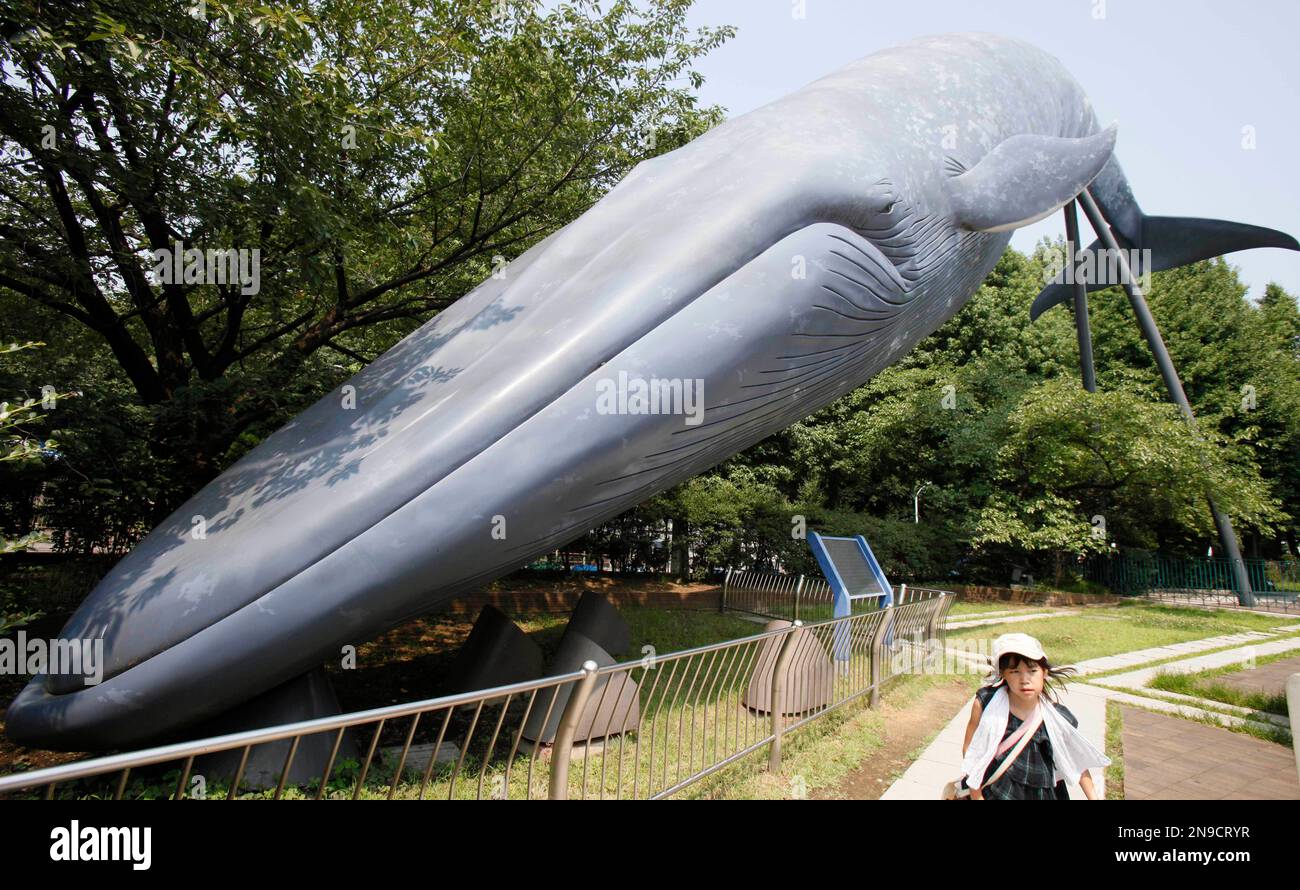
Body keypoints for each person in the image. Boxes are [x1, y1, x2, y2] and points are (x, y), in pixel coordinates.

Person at [958, 633, 1109, 800]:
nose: (1024, 680)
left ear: (1044, 672)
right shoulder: (985, 702)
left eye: (1032, 671)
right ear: (1003, 674)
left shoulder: (1057, 718)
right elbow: (970, 750)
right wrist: (976, 794)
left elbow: (1076, 761)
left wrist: (1093, 797)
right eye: (1015, 671)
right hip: (996, 790)